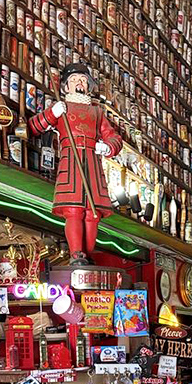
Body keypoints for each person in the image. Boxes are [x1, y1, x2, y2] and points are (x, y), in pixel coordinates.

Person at [29, 64, 123, 265]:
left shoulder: (97, 113)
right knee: (73, 209)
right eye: (75, 79)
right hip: (70, 160)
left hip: (93, 162)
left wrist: (107, 147)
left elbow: (114, 138)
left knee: (93, 212)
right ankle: (76, 254)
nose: (79, 83)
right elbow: (34, 127)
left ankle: (87, 255)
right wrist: (52, 113)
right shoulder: (61, 108)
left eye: (83, 80)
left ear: (88, 86)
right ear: (65, 86)